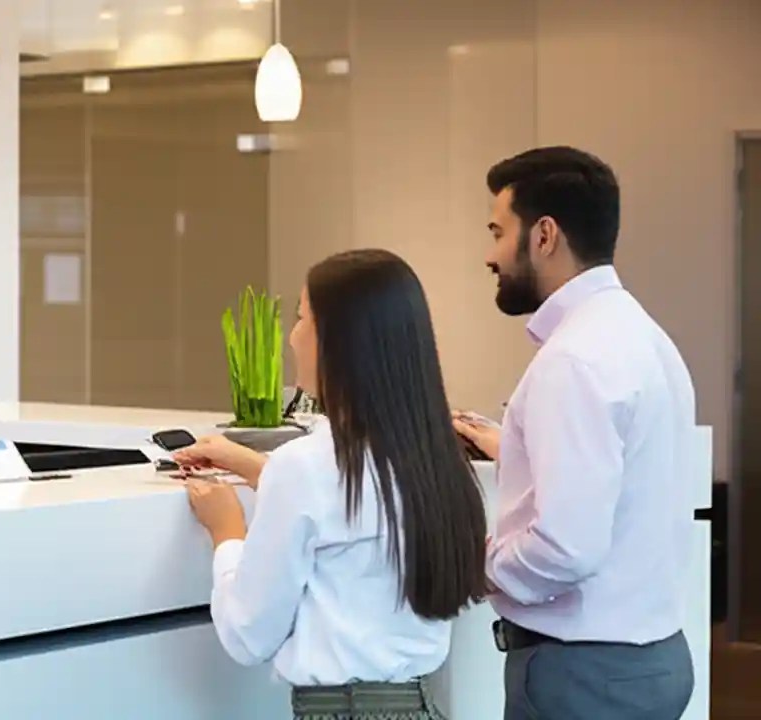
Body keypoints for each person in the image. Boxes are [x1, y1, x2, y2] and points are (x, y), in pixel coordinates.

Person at [176, 249, 488, 720]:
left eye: (302, 319)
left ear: (338, 344)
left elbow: (247, 635)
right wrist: (255, 466)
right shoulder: (435, 456)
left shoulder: (305, 469)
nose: (291, 337)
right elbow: (355, 505)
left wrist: (227, 535)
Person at [453, 146, 696, 719]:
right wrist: (510, 446)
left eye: (496, 230)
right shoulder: (643, 336)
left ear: (543, 235)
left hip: (583, 677)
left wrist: (474, 565)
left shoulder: (574, 360)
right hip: (651, 661)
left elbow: (565, 548)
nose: (489, 255)